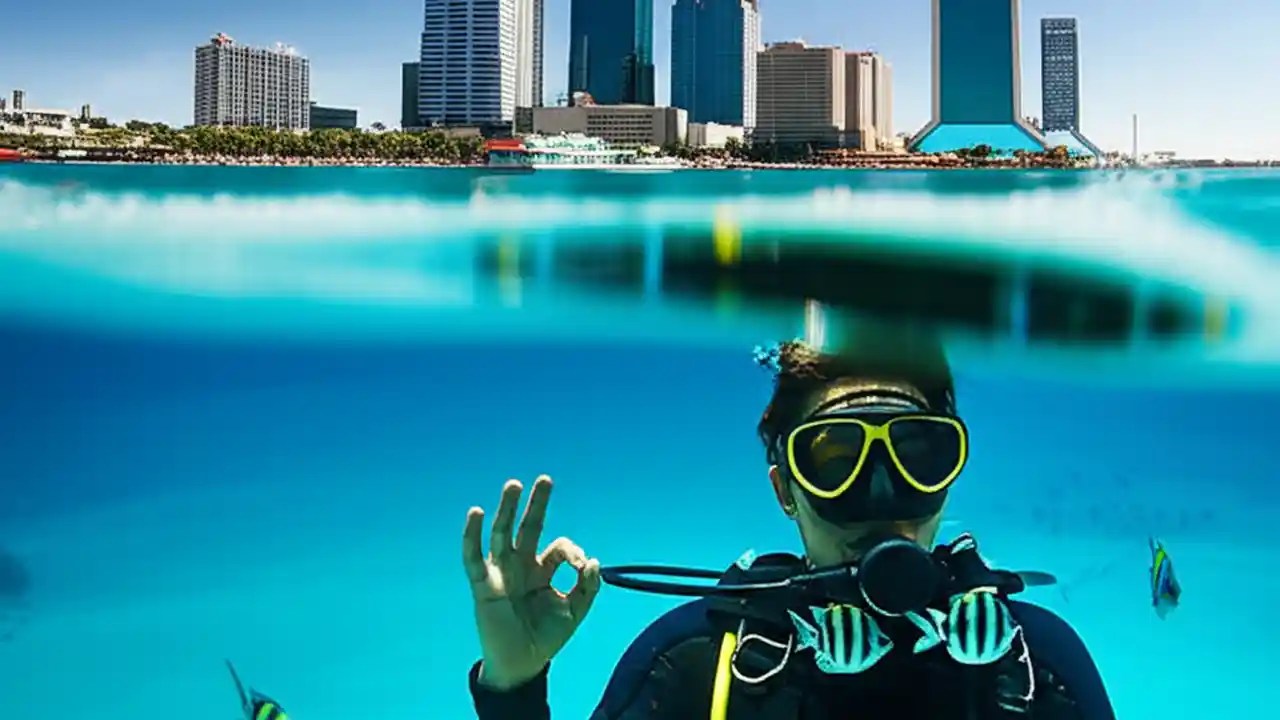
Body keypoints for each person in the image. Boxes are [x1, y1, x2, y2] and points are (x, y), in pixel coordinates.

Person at [461, 323, 1116, 719]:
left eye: (918, 455)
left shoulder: (1034, 663)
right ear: (786, 491)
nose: (881, 496)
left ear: (948, 481)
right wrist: (514, 688)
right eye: (835, 461)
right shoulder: (697, 663)